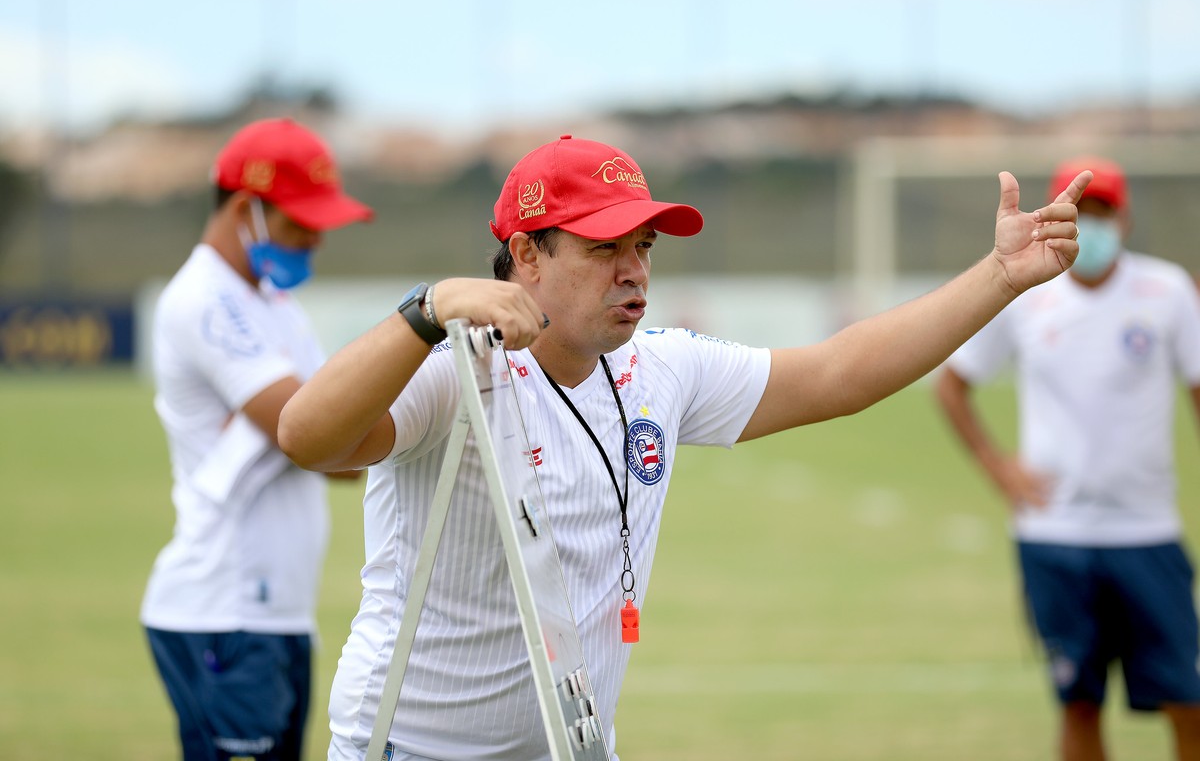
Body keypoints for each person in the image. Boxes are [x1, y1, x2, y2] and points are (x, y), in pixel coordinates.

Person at [276, 134, 1090, 761]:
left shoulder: (662, 366)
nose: (634, 271)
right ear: (526, 252)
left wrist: (1000, 276)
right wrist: (426, 311)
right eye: (604, 248)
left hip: (572, 745)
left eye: (645, 247)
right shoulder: (454, 363)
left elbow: (841, 373)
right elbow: (307, 436)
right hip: (412, 747)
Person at [934, 156, 1200, 761]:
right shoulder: (1025, 296)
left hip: (1147, 530)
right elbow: (953, 384)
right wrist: (997, 467)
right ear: (1057, 217)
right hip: (1054, 533)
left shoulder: (1168, 291)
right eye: (1083, 213)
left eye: (1105, 212)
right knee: (1078, 702)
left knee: (1188, 698)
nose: (1095, 225)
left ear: (1124, 218)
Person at [141, 117, 374, 761]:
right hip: (226, 606)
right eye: (302, 223)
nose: (315, 241)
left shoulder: (275, 305)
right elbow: (312, 430)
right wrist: (311, 429)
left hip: (274, 614)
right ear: (248, 208)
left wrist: (313, 430)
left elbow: (340, 452)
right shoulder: (203, 302)